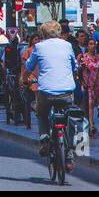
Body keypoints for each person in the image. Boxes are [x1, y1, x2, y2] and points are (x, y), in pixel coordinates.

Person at [23, 22, 78, 168]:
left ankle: (45, 139)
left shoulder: (39, 47)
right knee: (70, 117)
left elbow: (28, 66)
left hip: (46, 91)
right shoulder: (67, 45)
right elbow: (75, 66)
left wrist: (24, 80)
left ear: (43, 34)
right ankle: (70, 154)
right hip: (66, 91)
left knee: (41, 113)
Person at [77, 36, 99, 137]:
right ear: (87, 46)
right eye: (91, 44)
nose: (93, 46)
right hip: (87, 84)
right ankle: (91, 125)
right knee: (90, 104)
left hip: (98, 85)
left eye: (94, 44)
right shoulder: (83, 57)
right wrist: (81, 82)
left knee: (97, 105)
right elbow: (79, 71)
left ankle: (92, 124)